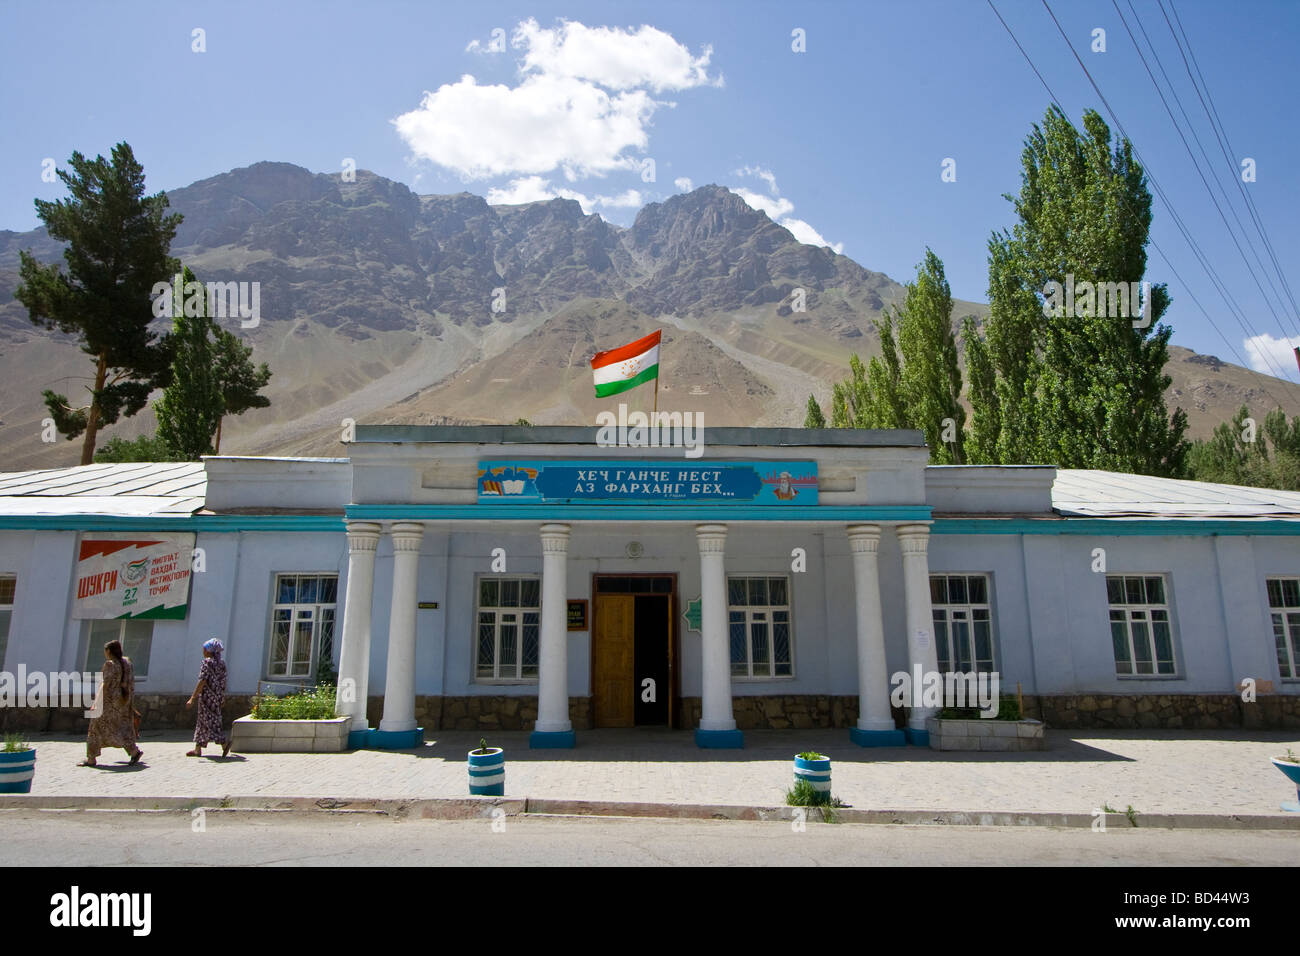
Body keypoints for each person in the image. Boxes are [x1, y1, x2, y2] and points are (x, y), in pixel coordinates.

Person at [80, 639, 143, 767]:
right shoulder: (127, 663)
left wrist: (96, 703)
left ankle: (91, 758)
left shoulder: (110, 665)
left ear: (108, 651)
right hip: (123, 703)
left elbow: (105, 684)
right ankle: (134, 751)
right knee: (122, 728)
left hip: (108, 704)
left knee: (95, 728)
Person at [186, 638, 231, 757]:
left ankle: (224, 743)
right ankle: (197, 749)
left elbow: (202, 681)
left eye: (204, 648)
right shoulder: (221, 663)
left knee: (211, 722)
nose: (203, 651)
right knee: (202, 722)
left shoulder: (207, 662)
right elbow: (223, 681)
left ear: (208, 650)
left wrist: (192, 697)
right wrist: (222, 696)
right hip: (216, 697)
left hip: (207, 698)